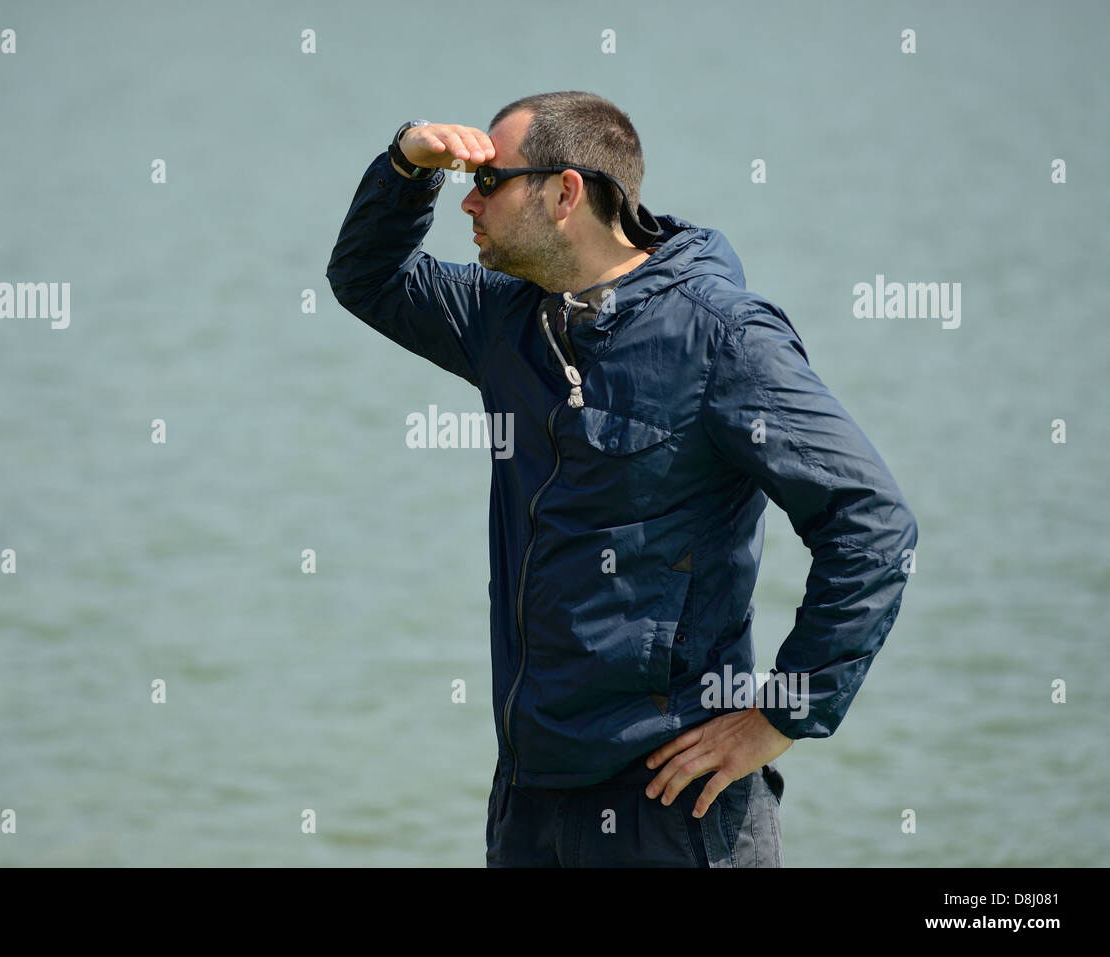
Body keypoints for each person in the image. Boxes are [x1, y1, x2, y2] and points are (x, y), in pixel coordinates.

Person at [326, 91, 917, 867]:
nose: (468, 200)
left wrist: (783, 713)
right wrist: (408, 165)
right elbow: (367, 277)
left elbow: (872, 522)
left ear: (565, 192)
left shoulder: (722, 338)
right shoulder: (503, 319)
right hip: (530, 802)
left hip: (674, 808)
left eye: (490, 181)